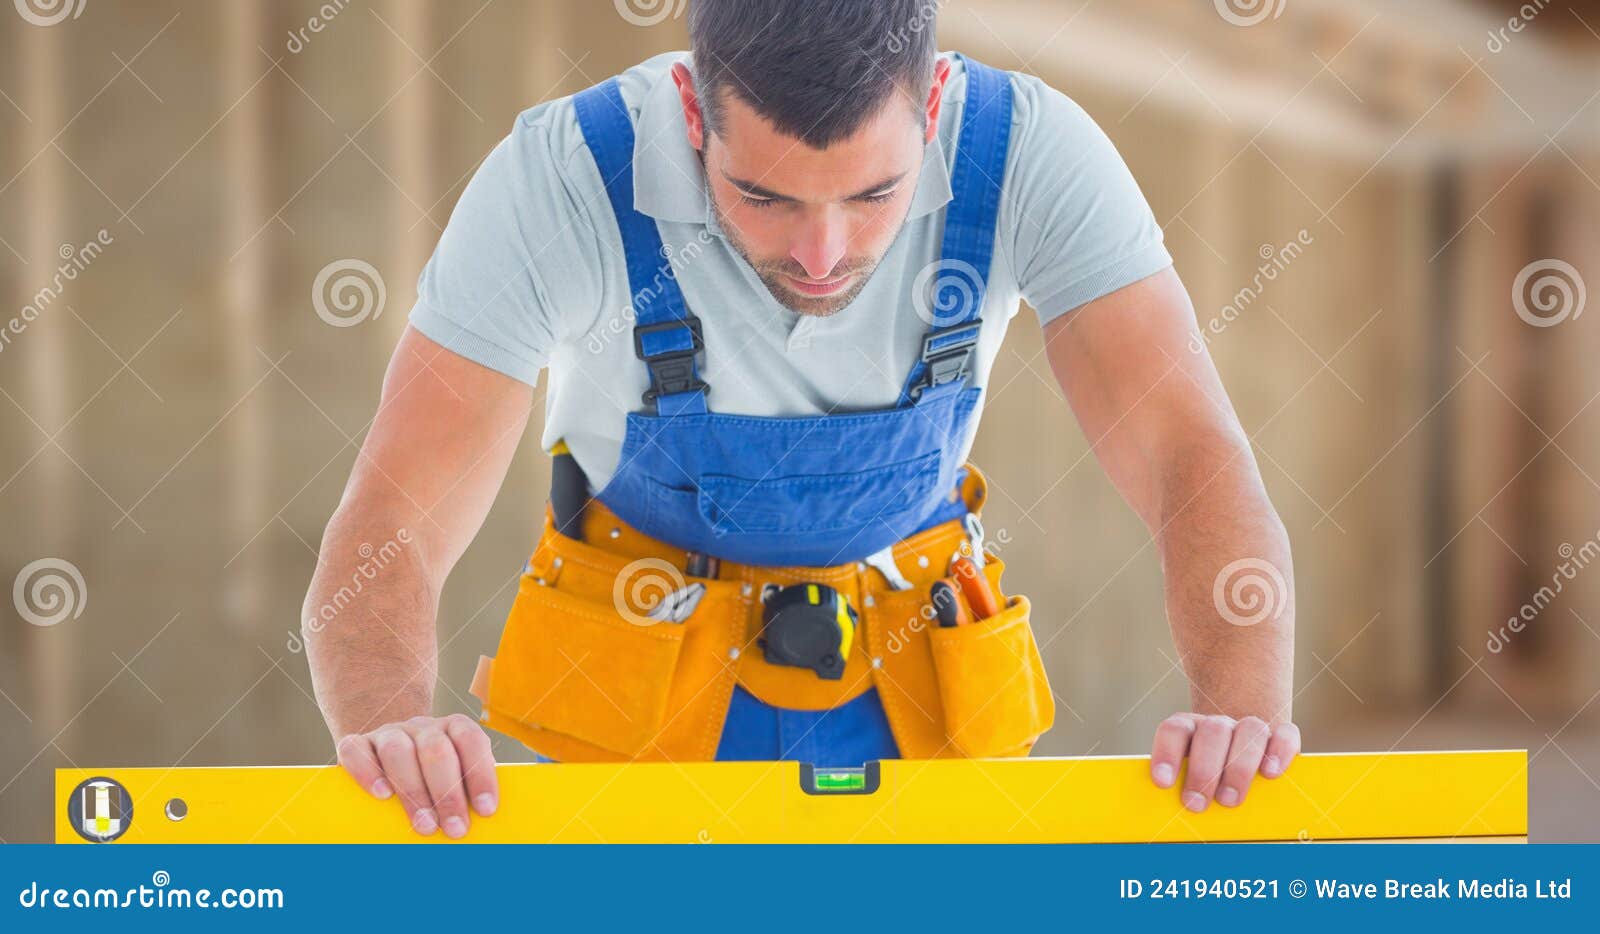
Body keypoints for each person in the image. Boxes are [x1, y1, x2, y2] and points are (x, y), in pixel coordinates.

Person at [304, 0, 1300, 839]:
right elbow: (396, 514)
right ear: (691, 111)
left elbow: (1186, 448)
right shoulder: (562, 177)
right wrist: (392, 726)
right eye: (764, 196)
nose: (822, 256)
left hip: (919, 674)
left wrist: (1241, 721)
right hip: (638, 689)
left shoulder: (1025, 150)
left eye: (874, 194)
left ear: (932, 106)